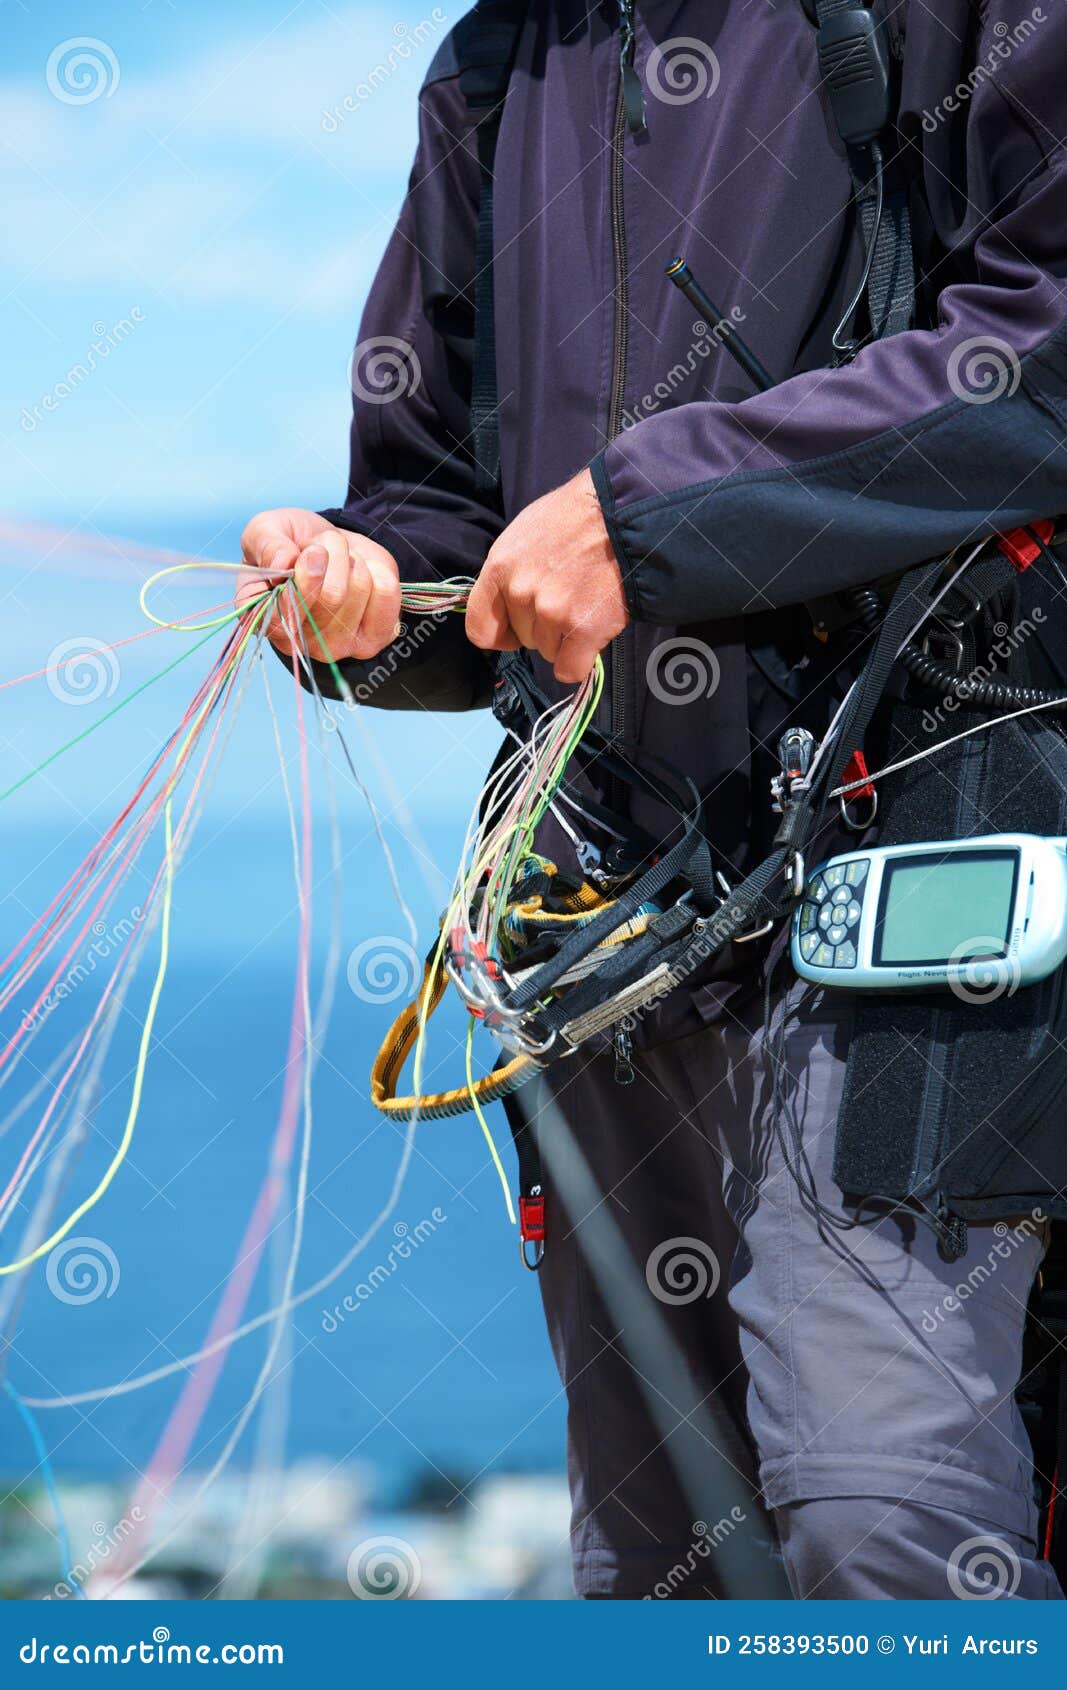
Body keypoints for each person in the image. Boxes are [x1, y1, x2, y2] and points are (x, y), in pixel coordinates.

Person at [239, 1, 1067, 1598]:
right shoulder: (493, 64)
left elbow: (1041, 341)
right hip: (600, 913)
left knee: (879, 1519)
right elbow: (447, 508)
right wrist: (360, 586)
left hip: (924, 840)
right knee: (662, 1560)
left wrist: (657, 516)